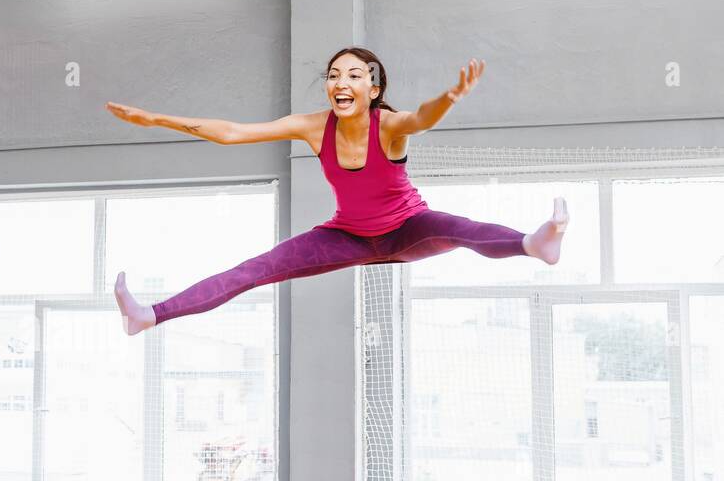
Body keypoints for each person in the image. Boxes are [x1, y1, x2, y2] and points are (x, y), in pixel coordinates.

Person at [106, 49, 567, 334]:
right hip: (346, 236)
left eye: (353, 75)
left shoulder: (388, 124)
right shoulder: (312, 126)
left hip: (409, 229)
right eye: (333, 75)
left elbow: (421, 118)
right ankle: (150, 316)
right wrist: (157, 119)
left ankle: (531, 244)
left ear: (373, 87)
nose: (340, 83)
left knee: (459, 228)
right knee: (255, 269)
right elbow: (231, 132)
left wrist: (451, 97)